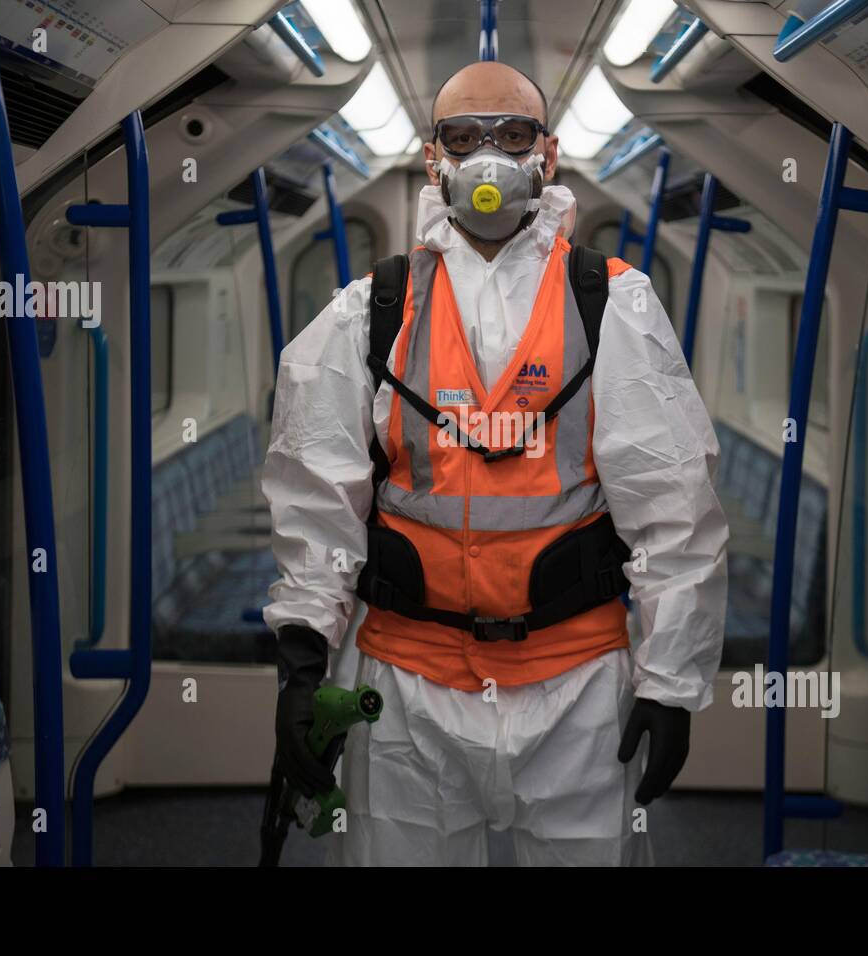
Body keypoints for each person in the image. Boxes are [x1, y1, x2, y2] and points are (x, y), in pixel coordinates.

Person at [262, 60, 729, 866]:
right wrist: (303, 670)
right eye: (463, 136)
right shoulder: (369, 311)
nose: (489, 156)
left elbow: (674, 505)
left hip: (576, 684)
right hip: (407, 689)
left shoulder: (613, 302)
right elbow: (316, 502)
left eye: (511, 135)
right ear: (432, 155)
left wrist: (670, 683)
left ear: (546, 154)